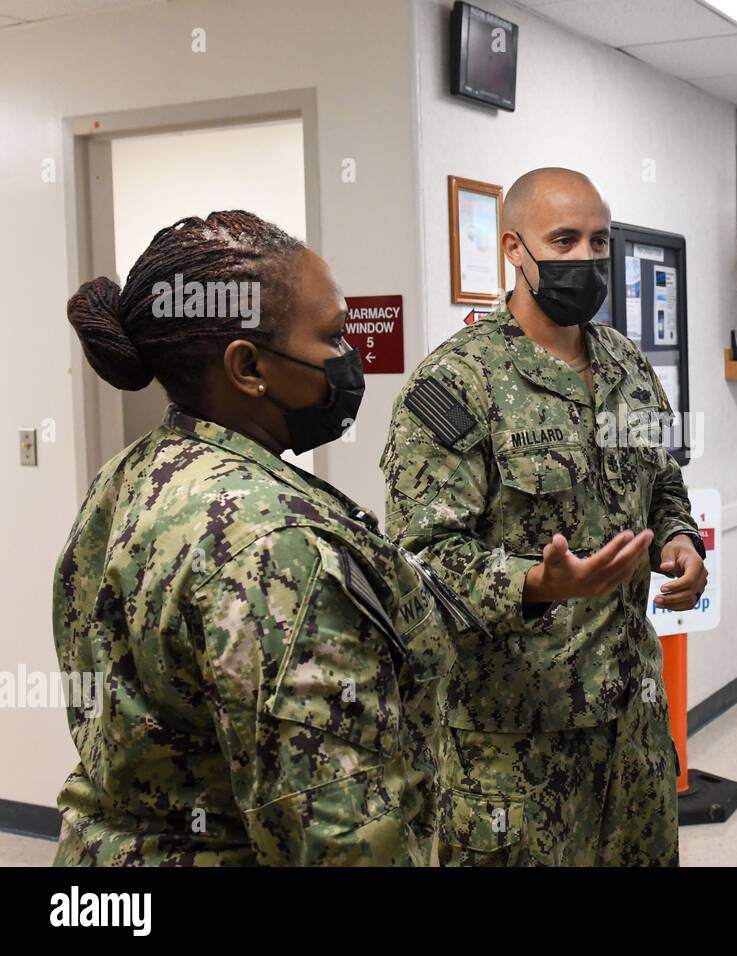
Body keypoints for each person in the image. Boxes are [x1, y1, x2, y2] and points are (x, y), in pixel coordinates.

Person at [55, 210, 457, 866]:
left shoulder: (132, 475)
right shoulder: (277, 546)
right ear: (248, 367)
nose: (349, 358)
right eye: (333, 336)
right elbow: (332, 838)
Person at [382, 167, 707, 866]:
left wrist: (680, 543)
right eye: (564, 240)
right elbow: (419, 562)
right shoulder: (456, 383)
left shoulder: (627, 364)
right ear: (514, 249)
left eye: (599, 241)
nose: (586, 260)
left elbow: (664, 487)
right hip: (513, 754)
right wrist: (536, 584)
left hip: (632, 728)